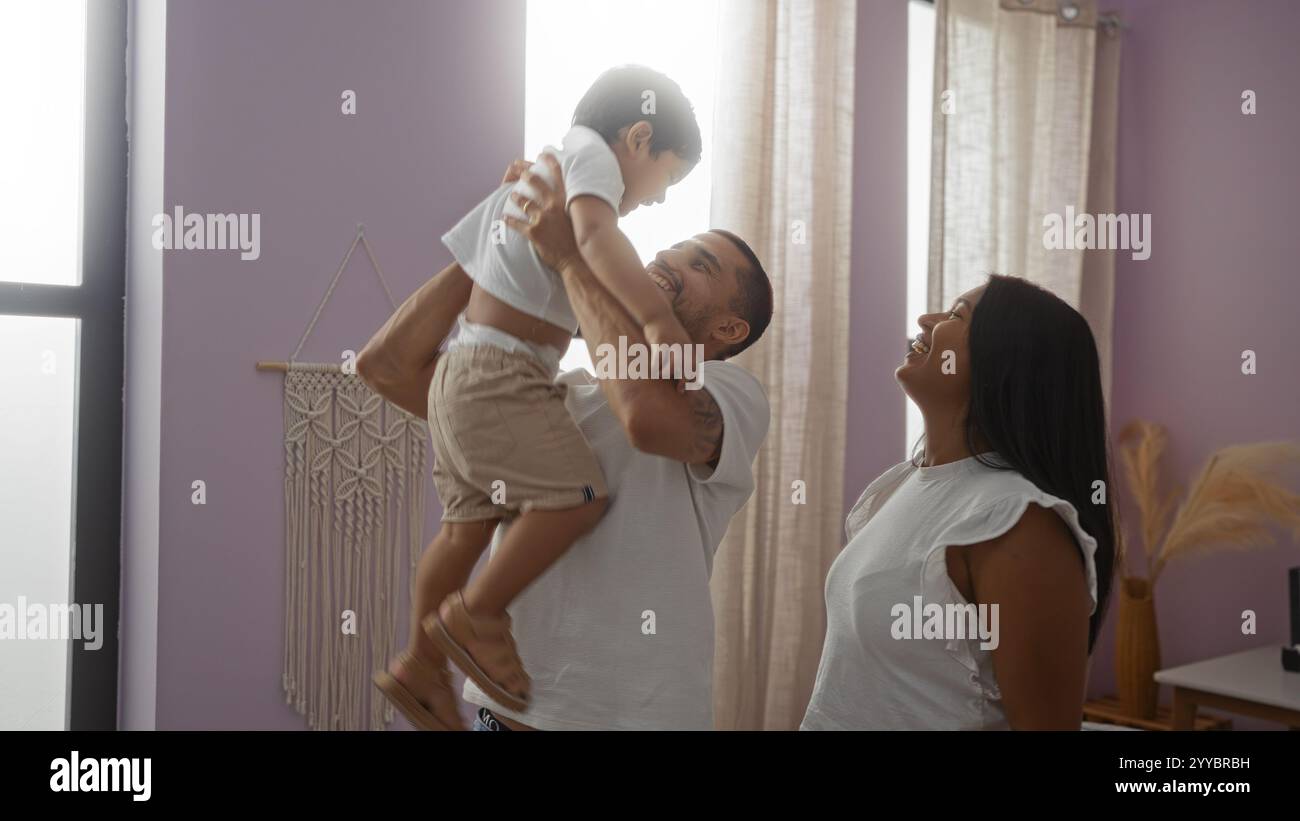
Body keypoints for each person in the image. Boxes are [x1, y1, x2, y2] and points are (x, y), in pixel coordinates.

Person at [360, 154, 773, 730]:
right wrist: (497, 235)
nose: (666, 260)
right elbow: (388, 369)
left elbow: (645, 418)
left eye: (699, 264)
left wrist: (570, 259)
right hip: (501, 716)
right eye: (671, 249)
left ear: (729, 330)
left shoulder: (732, 393)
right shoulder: (551, 395)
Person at [801, 275, 1117, 730]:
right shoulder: (902, 487)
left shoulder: (1014, 521)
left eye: (955, 315)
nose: (925, 321)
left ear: (1007, 362)